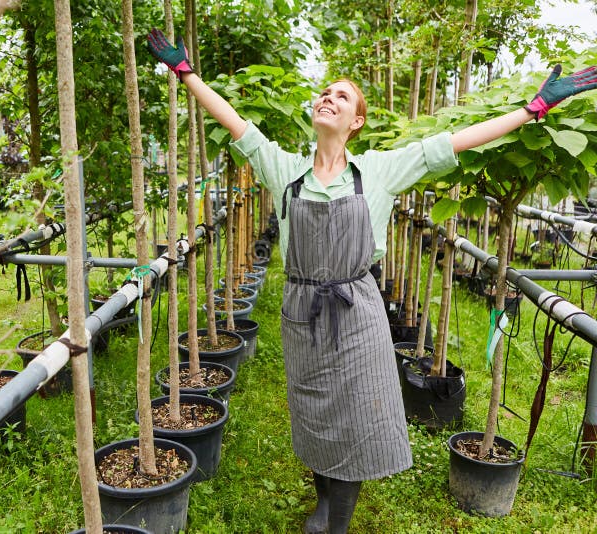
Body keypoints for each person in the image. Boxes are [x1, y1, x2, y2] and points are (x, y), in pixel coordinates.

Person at [147, 28, 597, 534]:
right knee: (315, 415)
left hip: (356, 309)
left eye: (341, 96)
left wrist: (533, 109)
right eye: (325, 92)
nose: (327, 98)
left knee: (356, 415)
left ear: (355, 121)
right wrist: (185, 74)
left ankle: (335, 525)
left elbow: (455, 142)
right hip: (302, 310)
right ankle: (323, 502)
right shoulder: (284, 171)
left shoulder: (378, 171)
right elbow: (233, 121)